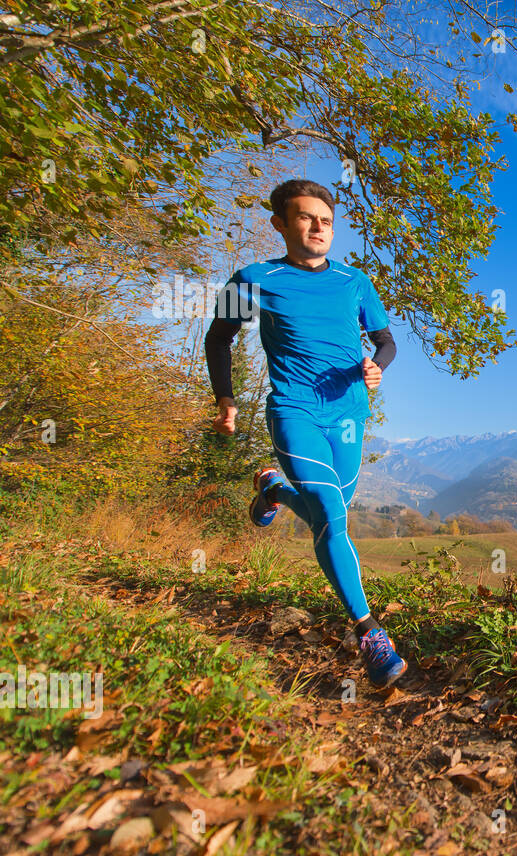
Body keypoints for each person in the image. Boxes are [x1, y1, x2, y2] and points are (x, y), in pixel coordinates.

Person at [204, 179, 407, 688]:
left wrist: (377, 366)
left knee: (326, 512)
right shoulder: (256, 278)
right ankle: (370, 634)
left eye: (326, 221)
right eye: (305, 218)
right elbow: (219, 337)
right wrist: (225, 399)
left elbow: (386, 341)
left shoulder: (355, 282)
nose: (318, 228)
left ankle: (272, 489)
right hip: (294, 409)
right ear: (281, 224)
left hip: (349, 414)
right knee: (331, 513)